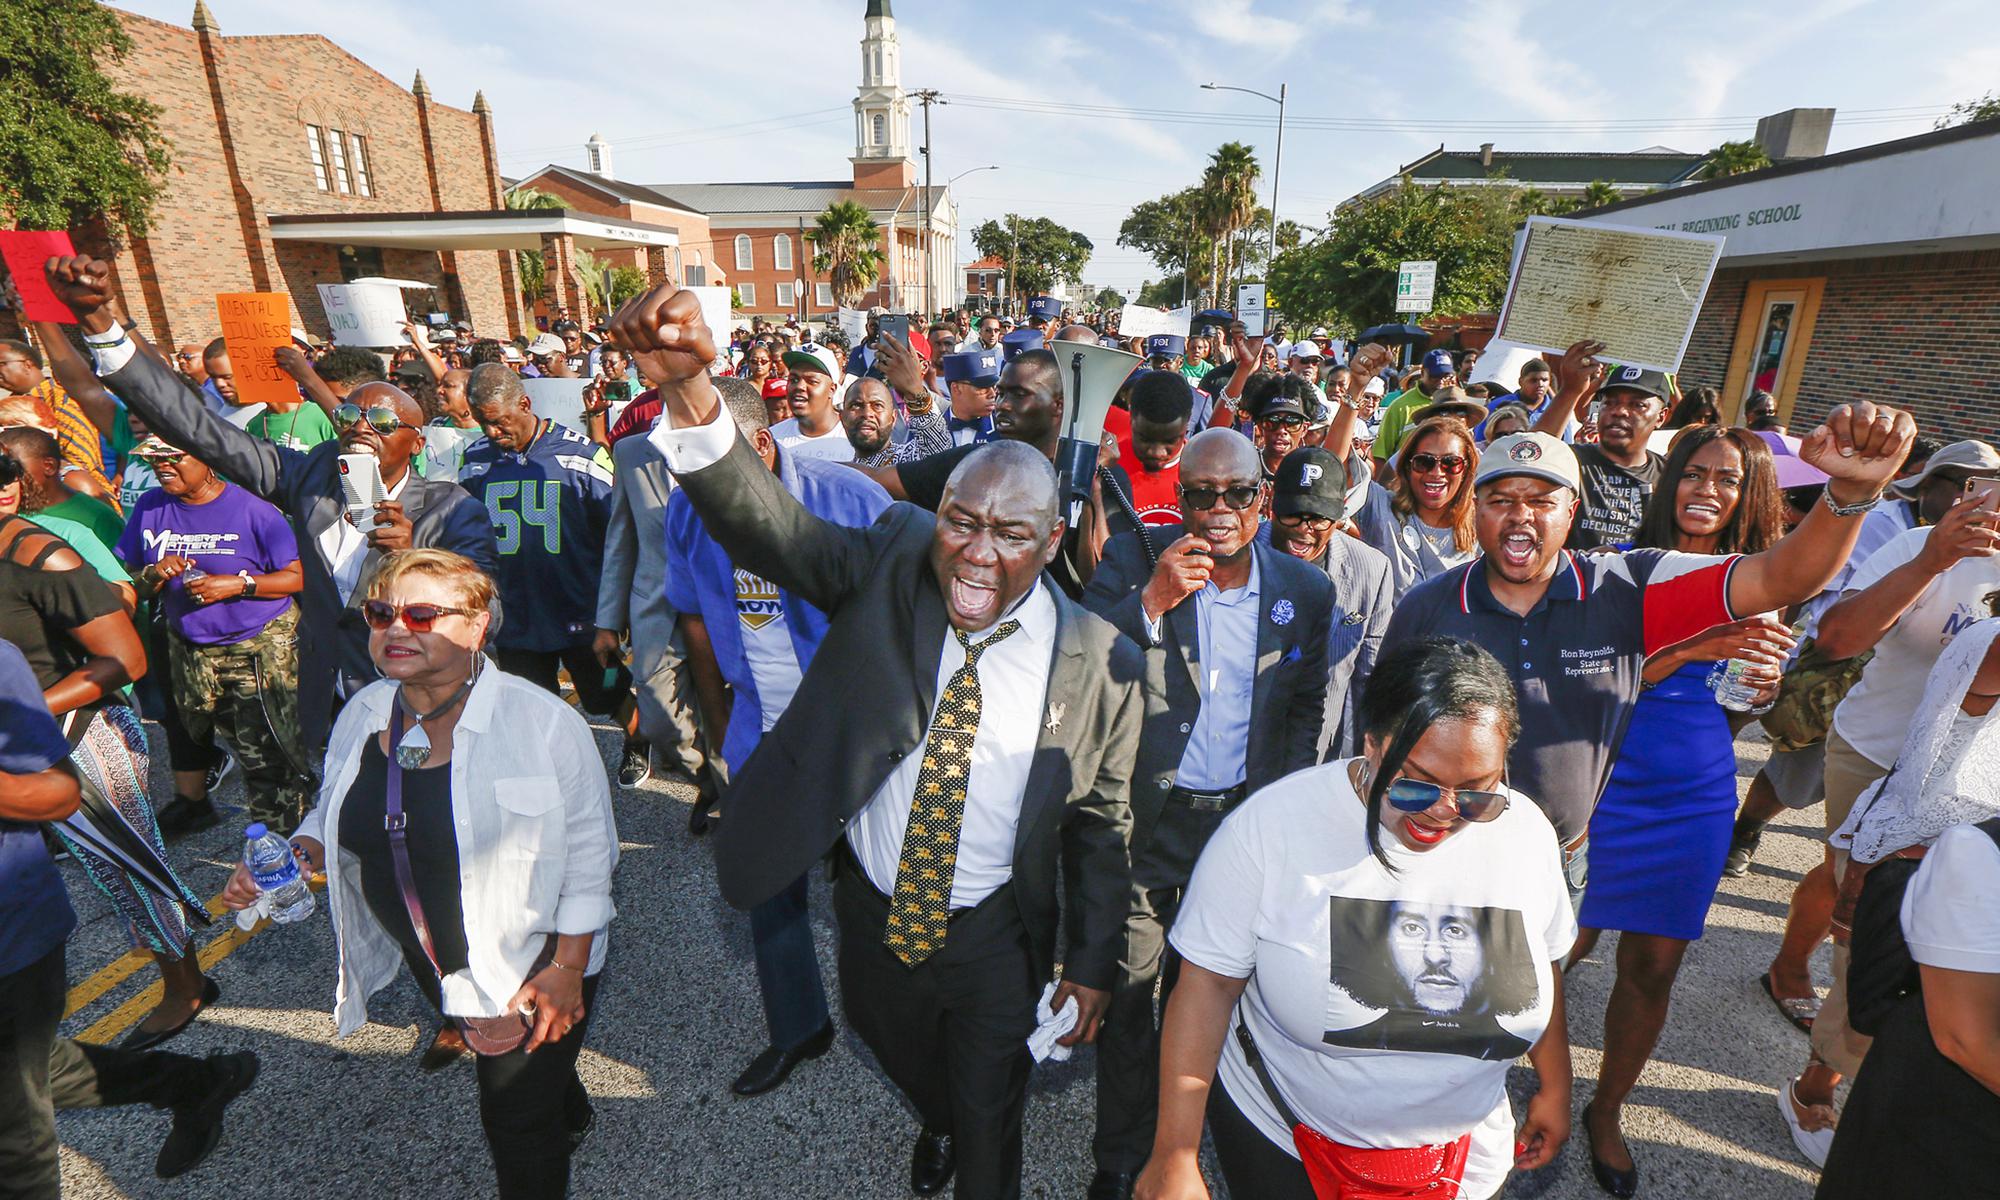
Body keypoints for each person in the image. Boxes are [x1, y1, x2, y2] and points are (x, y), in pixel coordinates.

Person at [618, 284, 1140, 1200]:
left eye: (1011, 534)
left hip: (993, 931)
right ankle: (935, 1112)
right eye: (962, 523)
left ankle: (968, 1131)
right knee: (895, 1050)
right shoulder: (892, 557)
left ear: (1052, 539)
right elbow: (766, 526)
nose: (977, 553)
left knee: (992, 1122)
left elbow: (1101, 822)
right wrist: (692, 394)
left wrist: (1093, 965)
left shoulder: (1100, 660)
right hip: (873, 907)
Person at [1381, 392, 1916, 910]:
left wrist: (1847, 496)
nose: (1521, 516)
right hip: (1437, 848)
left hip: (1553, 863)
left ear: (1572, 512)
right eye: (1501, 500)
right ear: (1475, 509)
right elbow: (1380, 737)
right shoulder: (1427, 606)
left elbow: (1781, 578)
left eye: (1542, 501)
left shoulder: (1625, 584)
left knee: (1539, 997)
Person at [221, 549, 616, 1200]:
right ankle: (564, 1100)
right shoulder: (365, 711)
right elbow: (333, 805)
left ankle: (549, 1108)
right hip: (428, 954)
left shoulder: (543, 724)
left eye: (423, 614)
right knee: (527, 1082)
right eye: (381, 613)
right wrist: (297, 854)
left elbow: (590, 852)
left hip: (531, 960)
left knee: (515, 1124)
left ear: (478, 625)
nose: (396, 628)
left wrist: (568, 968)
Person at [1135, 638, 1575, 1200]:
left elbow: (1543, 962)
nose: (1444, 811)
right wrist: (1175, 1153)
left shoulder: (1526, 832)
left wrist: (1556, 1086)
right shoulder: (1272, 828)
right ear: (1372, 745)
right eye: (1415, 783)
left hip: (1464, 1161)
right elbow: (1208, 986)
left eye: (1476, 794)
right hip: (1286, 1143)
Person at [46, 255, 500, 756]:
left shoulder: (451, 509)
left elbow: (490, 615)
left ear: (416, 443)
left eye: (384, 423)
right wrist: (101, 326)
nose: (362, 428)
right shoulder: (306, 475)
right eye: (351, 413)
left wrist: (420, 562)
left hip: (428, 700)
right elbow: (195, 428)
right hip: (329, 699)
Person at [1081, 429, 1333, 1200]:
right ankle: (1123, 1158)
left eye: (1238, 494)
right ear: (1178, 495)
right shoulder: (1133, 559)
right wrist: (1151, 602)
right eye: (1199, 495)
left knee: (1223, 996)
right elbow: (1076, 663)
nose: (1219, 511)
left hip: (1242, 831)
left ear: (1263, 497)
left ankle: (1201, 1148)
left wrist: (1279, 813)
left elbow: (1305, 711)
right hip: (1147, 826)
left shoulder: (1307, 590)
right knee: (1131, 997)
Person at [1565, 426, 1791, 1197]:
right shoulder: (1622, 569)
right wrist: (1691, 650)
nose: (1706, 490)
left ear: (1748, 494)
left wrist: (1759, 690)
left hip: (1692, 790)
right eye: (1693, 474)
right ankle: (1526, 1078)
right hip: (1600, 777)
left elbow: (1736, 715)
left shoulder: (1765, 585)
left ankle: (1606, 1109)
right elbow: (1588, 681)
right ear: (1670, 484)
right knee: (1557, 947)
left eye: (1727, 480)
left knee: (1653, 968)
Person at [664, 382, 889, 1097]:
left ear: (758, 445)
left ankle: (903, 1030)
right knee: (769, 881)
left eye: (697, 457)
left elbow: (905, 625)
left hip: (857, 727)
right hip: (762, 725)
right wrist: (722, 730)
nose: (681, 473)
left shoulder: (852, 501)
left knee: (879, 885)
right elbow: (696, 625)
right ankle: (798, 1027)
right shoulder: (687, 510)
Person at [1773, 462, 2000, 1161]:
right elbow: (1835, 637)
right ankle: (1818, 1082)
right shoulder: (1927, 544)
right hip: (1880, 756)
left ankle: (1803, 990)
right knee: (1873, 919)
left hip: (1983, 786)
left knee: (1903, 918)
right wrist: (1935, 558)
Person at [0, 639, 260, 1189]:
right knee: (34, 1072)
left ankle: (187, 1022)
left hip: (10, 933)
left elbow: (57, 792)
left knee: (17, 1139)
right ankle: (192, 1084)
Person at [0, 514, 213, 1049]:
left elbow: (126, 659)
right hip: (21, 736)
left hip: (82, 736)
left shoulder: (41, 556)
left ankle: (186, 987)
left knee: (129, 868)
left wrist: (25, 708)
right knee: (101, 873)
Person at [1812, 620, 2000, 1196]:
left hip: (1946, 857)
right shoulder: (1988, 643)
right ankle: (1813, 1090)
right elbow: (1924, 765)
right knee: (1874, 1013)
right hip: (1925, 854)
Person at [459, 364, 649, 785]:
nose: (491, 433)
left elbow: (619, 532)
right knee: (530, 700)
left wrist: (618, 610)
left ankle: (638, 739)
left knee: (604, 692)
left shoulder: (580, 455)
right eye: (482, 422)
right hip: (514, 606)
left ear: (524, 404)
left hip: (578, 599)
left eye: (499, 422)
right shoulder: (474, 461)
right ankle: (553, 773)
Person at [114, 437, 312, 835]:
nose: (162, 467)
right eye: (155, 460)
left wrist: (238, 586)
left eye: (173, 457)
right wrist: (155, 574)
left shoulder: (253, 510)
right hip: (189, 646)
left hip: (257, 643)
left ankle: (281, 846)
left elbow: (296, 576)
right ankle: (291, 805)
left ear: (208, 459)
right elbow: (130, 576)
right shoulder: (152, 507)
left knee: (265, 753)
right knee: (214, 736)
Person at [594, 386, 711, 803]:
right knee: (661, 716)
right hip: (655, 607)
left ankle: (727, 794)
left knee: (724, 711)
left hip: (720, 608)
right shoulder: (629, 452)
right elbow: (620, 539)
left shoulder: (725, 441)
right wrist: (608, 620)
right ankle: (707, 781)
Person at [1262, 447, 1394, 759]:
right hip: (1238, 755)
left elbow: (1370, 680)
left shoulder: (1372, 570)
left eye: (1319, 518)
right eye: (1292, 513)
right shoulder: (1240, 555)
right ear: (1269, 502)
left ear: (1340, 515)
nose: (1303, 529)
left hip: (1320, 752)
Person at [1533, 354, 1670, 549]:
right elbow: (1531, 454)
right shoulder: (1571, 460)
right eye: (1610, 403)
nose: (1619, 411)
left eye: (1637, 405)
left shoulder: (1669, 476)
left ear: (1661, 417)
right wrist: (1571, 391)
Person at [1352, 415, 1481, 602]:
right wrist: (1353, 397)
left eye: (1451, 463)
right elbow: (1335, 471)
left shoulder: (1481, 522)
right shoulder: (1382, 507)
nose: (1437, 472)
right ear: (1407, 466)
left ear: (1466, 470)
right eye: (1424, 462)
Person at [0, 339, 116, 505]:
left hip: (80, 500)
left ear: (27, 364)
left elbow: (81, 459)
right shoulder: (14, 402)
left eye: (1, 363)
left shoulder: (61, 399)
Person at [0, 426, 124, 556]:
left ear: (49, 466)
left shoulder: (98, 519)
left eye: (13, 469)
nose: (6, 480)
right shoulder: (8, 506)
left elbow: (122, 571)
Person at [1114, 371, 1195, 528]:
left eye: (1170, 441)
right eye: (1145, 439)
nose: (1156, 452)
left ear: (1187, 424)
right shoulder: (1108, 466)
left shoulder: (1204, 468)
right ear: (1131, 417)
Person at [1370, 348, 1456, 475]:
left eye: (1445, 376)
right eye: (1434, 376)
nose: (1440, 382)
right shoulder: (1400, 406)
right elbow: (1381, 453)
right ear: (1422, 373)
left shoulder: (1455, 405)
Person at [767, 344, 854, 463]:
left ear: (831, 389)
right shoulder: (773, 439)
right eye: (794, 380)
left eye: (812, 381)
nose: (799, 386)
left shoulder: (853, 438)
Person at [938, 347, 1002, 447]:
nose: (992, 394)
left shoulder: (1003, 432)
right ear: (956, 388)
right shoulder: (929, 430)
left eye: (994, 386)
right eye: (982, 387)